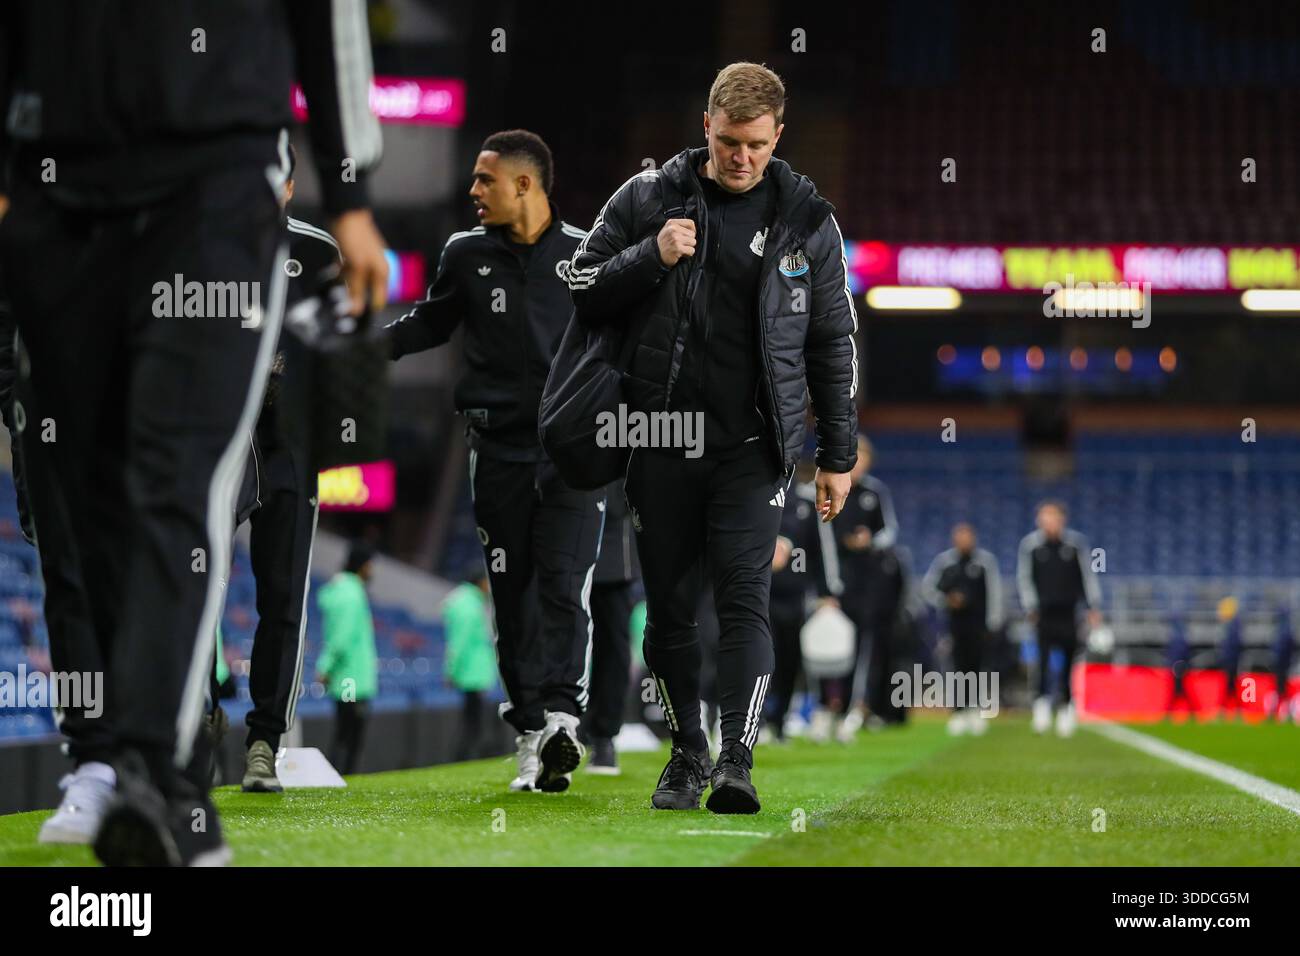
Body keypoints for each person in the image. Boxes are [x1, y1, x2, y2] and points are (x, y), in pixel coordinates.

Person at [0, 0, 388, 866]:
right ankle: (110, 761)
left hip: (215, 178)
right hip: (57, 180)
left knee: (174, 477)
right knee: (81, 494)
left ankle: (155, 776)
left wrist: (351, 187)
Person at [564, 62, 858, 813]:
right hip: (657, 435)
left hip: (753, 449)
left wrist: (837, 455)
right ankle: (685, 753)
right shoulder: (645, 199)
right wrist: (649, 255)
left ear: (778, 137)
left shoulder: (807, 219)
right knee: (666, 610)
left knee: (744, 601)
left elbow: (831, 341)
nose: (741, 158)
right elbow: (582, 286)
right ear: (706, 127)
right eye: (729, 141)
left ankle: (736, 758)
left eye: (756, 144)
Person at [383, 130, 603, 793]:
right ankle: (532, 734)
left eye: (486, 180)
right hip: (496, 450)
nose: (473, 192)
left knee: (564, 586)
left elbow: (629, 341)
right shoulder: (465, 253)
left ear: (525, 185)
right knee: (513, 597)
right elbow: (428, 324)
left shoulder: (589, 254)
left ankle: (563, 719)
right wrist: (352, 353)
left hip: (572, 454)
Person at [239, 144, 341, 794]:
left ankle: (262, 741)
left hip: (289, 447)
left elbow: (341, 351)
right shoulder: (201, 242)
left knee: (283, 596)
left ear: (292, 184)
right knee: (189, 581)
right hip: (216, 438)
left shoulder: (319, 252)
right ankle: (191, 714)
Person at [824, 436, 899, 739]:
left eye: (864, 456)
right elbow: (820, 532)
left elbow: (890, 531)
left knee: (860, 648)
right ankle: (823, 707)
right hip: (834, 580)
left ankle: (853, 707)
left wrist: (870, 541)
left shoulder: (875, 492)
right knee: (829, 646)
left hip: (867, 583)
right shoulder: (831, 486)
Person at [1016, 501, 1102, 738]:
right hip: (1043, 616)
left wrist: (1093, 606)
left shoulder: (1076, 546)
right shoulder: (1030, 547)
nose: (1050, 523)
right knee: (1041, 663)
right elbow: (1025, 579)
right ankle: (1041, 708)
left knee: (1068, 664)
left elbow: (1088, 576)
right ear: (1039, 520)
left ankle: (1066, 708)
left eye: (1054, 517)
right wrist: (1030, 607)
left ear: (1062, 519)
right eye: (1045, 518)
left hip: (1069, 614)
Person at [921, 522, 1004, 735]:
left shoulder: (985, 563)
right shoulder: (945, 562)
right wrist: (947, 601)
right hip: (953, 625)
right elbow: (928, 589)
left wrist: (992, 623)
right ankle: (958, 712)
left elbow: (994, 593)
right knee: (955, 668)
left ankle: (975, 711)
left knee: (978, 669)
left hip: (978, 626)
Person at [584, 485, 639, 775]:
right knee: (559, 641)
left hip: (613, 561)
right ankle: (555, 725)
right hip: (565, 547)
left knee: (613, 649)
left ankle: (603, 737)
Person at [316, 543, 379, 775]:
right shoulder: (351, 595)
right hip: (351, 678)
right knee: (348, 734)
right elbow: (340, 639)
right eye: (370, 565)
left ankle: (339, 778)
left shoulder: (347, 591)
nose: (372, 570)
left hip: (349, 676)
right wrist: (326, 667)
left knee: (347, 733)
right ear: (361, 566)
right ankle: (339, 779)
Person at [441, 566, 497, 761]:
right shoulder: (468, 605)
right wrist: (451, 670)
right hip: (471, 674)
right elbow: (460, 643)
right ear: (480, 581)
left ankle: (466, 755)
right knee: (472, 721)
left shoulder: (467, 601)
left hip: (471, 673)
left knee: (472, 719)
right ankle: (465, 757)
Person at [1217, 596, 1243, 719]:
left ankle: (1227, 711)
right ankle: (1232, 711)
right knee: (1230, 688)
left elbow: (1233, 646)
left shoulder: (1233, 626)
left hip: (1232, 663)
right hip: (1232, 662)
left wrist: (1227, 660)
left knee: (1230, 687)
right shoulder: (1233, 626)